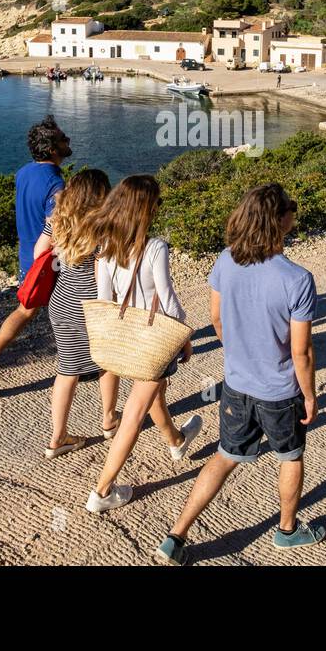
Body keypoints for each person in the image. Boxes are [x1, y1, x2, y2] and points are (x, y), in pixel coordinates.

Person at [155, 183, 323, 563]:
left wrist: (240, 349)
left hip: (235, 384)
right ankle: (287, 531)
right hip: (278, 391)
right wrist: (309, 395)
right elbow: (301, 351)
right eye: (290, 209)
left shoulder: (225, 260)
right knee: (291, 457)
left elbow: (216, 319)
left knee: (225, 456)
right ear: (280, 220)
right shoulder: (297, 279)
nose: (293, 214)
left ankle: (176, 535)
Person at [84, 175, 201, 513]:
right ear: (145, 210)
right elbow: (168, 301)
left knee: (153, 393)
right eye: (155, 204)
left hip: (124, 340)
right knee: (135, 414)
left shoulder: (104, 249)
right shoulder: (155, 248)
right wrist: (185, 335)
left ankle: (177, 441)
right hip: (152, 341)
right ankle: (103, 490)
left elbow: (105, 300)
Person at [0, 116, 72, 397]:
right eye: (64, 139)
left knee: (26, 311)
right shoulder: (56, 185)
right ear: (52, 148)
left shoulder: (23, 172)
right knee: (77, 306)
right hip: (50, 261)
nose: (68, 142)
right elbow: (55, 227)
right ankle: (81, 365)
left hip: (27, 257)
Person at [35, 168, 121, 457]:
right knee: (107, 364)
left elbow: (38, 254)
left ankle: (58, 438)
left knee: (67, 370)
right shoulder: (104, 224)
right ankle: (109, 420)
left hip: (61, 304)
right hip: (92, 305)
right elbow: (103, 273)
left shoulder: (57, 220)